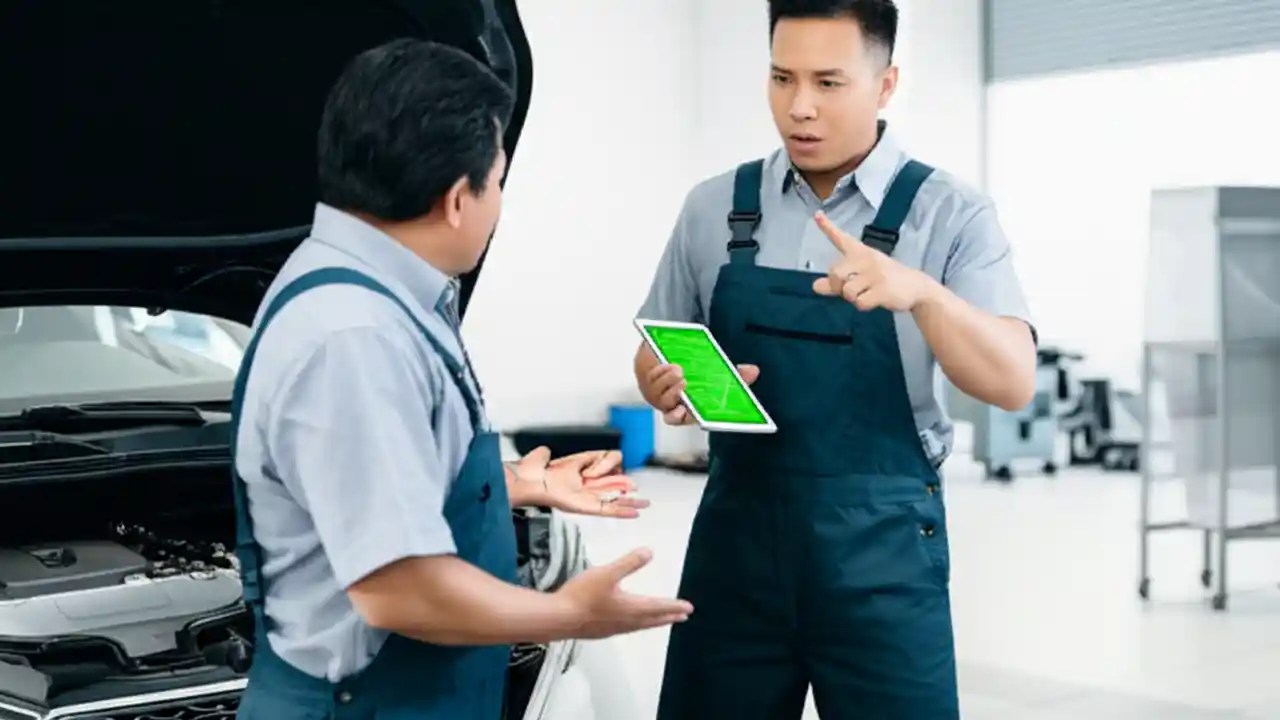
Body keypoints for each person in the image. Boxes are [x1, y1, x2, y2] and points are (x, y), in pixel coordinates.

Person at [232, 39, 692, 720]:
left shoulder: (374, 293)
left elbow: (359, 483)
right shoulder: (354, 338)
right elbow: (400, 590)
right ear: (456, 200)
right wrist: (564, 612)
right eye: (497, 181)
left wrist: (515, 484)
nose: (497, 201)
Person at [634, 2, 1037, 718]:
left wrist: (921, 296)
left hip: (881, 563)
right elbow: (655, 345)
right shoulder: (713, 208)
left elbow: (1011, 381)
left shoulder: (952, 215)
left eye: (828, 82)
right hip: (737, 553)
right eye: (781, 78)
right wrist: (667, 384)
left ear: (885, 86)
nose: (800, 108)